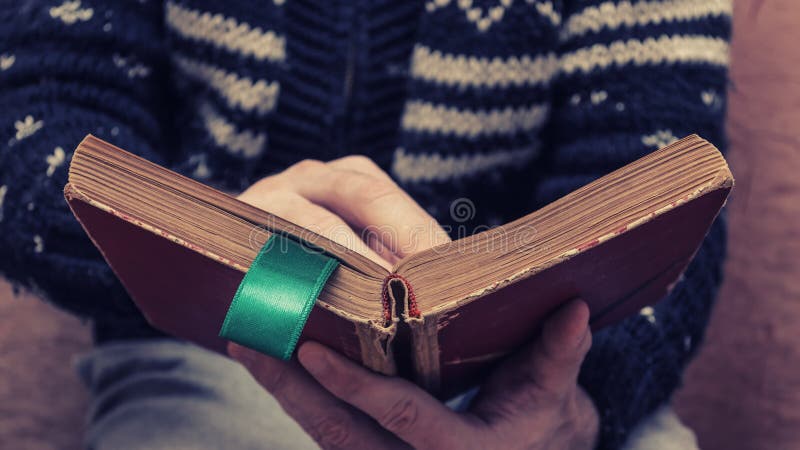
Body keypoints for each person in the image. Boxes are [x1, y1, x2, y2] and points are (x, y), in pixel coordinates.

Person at [0, 0, 732, 448]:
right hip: (222, 353)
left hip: (540, 379)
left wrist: (576, 411)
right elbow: (34, 129)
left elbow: (657, 185)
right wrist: (235, 256)